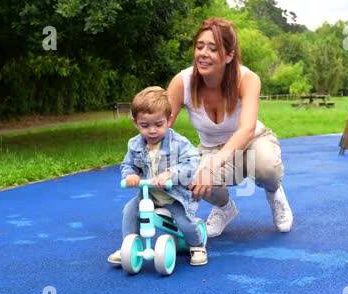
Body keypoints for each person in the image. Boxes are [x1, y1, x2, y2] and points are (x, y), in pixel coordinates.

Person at [167, 17, 293, 238]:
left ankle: (274, 193)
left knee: (267, 168)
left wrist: (211, 166)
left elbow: (246, 129)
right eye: (199, 46)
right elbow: (162, 125)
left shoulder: (247, 79)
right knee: (188, 175)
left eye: (213, 48)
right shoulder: (182, 82)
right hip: (211, 148)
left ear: (229, 55)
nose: (203, 53)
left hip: (252, 142)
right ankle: (224, 208)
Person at [107, 86, 208, 266]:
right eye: (144, 125)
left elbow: (193, 160)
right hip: (149, 194)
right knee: (129, 212)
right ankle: (129, 246)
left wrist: (170, 173)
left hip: (174, 195)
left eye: (158, 124)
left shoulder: (179, 143)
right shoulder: (134, 144)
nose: (152, 130)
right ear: (136, 123)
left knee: (183, 222)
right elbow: (127, 164)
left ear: (169, 121)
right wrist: (130, 175)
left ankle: (197, 245)